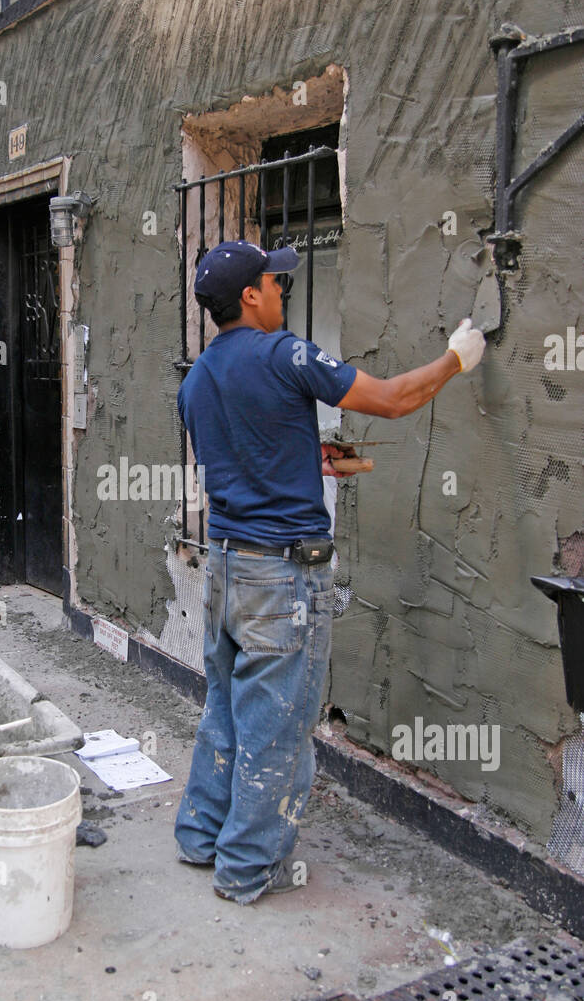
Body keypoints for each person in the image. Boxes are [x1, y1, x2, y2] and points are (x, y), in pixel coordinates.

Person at [174, 239, 486, 903]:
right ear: (250, 297)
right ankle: (245, 868)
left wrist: (308, 458)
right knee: (278, 729)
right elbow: (396, 400)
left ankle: (200, 835)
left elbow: (240, 458)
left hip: (226, 569)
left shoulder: (195, 380)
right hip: (283, 577)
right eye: (275, 283)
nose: (284, 292)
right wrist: (457, 359)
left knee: (225, 710)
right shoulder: (286, 353)